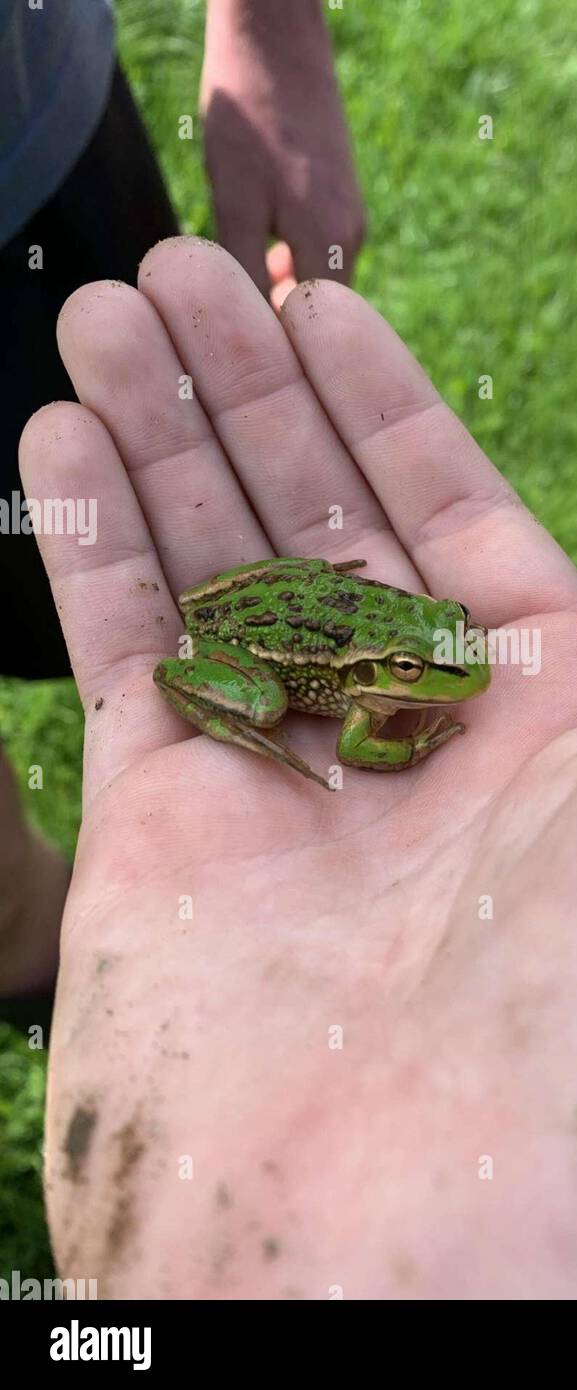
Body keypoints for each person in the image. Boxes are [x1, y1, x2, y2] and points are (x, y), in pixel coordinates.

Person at [21, 237, 577, 1297]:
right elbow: (361, 739)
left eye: (445, 642)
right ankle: (251, 719)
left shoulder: (424, 638)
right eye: (418, 669)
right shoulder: (369, 696)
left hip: (293, 595)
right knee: (263, 696)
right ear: (388, 667)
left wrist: (408, 664)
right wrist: (417, 731)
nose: (452, 670)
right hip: (247, 647)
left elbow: (422, 650)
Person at [0, 0, 364, 1001]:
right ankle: (25, 948)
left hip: (25, 147)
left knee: (122, 479)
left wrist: (272, 33)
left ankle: (33, 950)